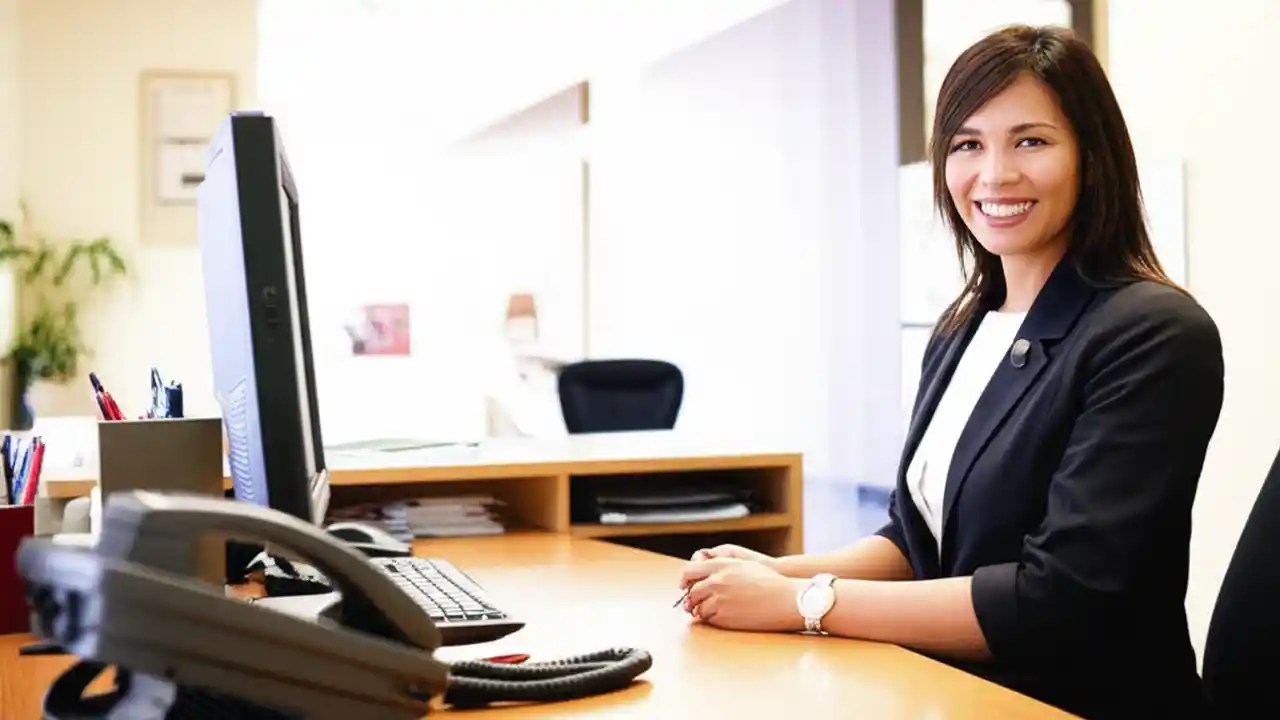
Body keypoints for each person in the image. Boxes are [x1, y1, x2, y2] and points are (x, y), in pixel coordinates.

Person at [677, 24, 1223, 719]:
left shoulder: (1151, 332)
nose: (994, 174)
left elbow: (1062, 599)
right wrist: (773, 574)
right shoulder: (965, 326)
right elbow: (916, 539)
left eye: (1031, 140)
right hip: (950, 693)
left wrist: (804, 602)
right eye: (968, 144)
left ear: (1094, 157)